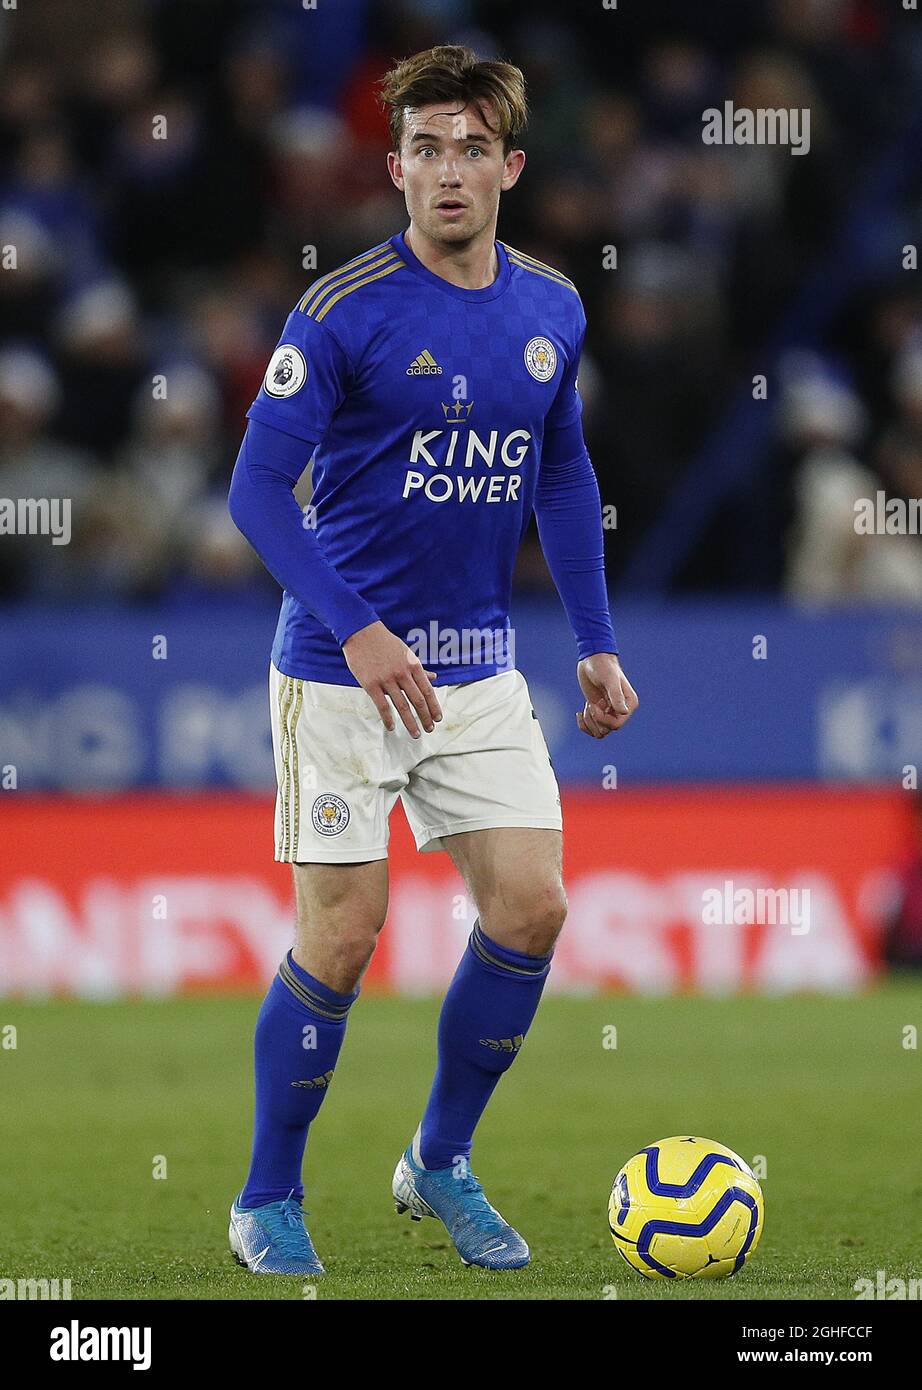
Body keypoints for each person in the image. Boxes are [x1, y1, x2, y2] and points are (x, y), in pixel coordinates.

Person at [227, 44, 638, 1275]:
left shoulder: (551, 307)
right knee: (343, 936)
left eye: (471, 148)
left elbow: (561, 472)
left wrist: (596, 642)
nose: (448, 170)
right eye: (425, 149)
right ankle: (265, 1196)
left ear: (511, 166)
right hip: (337, 673)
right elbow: (256, 493)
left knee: (533, 905)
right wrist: (357, 627)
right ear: (395, 169)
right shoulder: (341, 309)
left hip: (478, 670)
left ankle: (439, 1159)